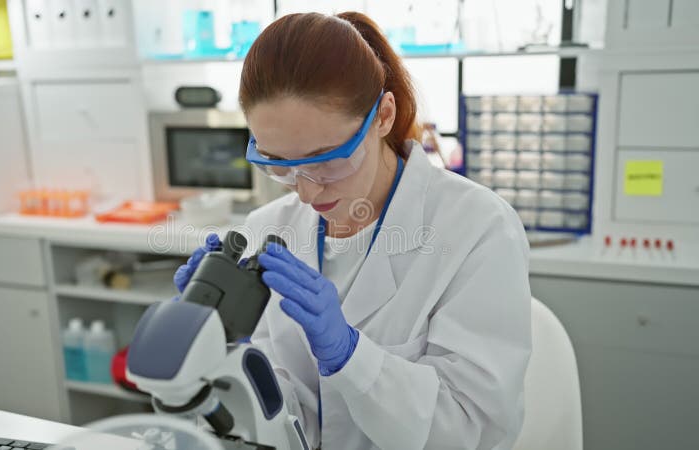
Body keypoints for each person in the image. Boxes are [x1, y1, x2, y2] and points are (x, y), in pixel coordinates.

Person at [173, 11, 531, 450]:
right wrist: (223, 355)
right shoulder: (268, 229)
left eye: (326, 160)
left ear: (382, 116)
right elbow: (280, 424)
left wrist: (350, 356)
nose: (305, 193)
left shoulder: (478, 228)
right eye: (280, 165)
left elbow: (471, 430)